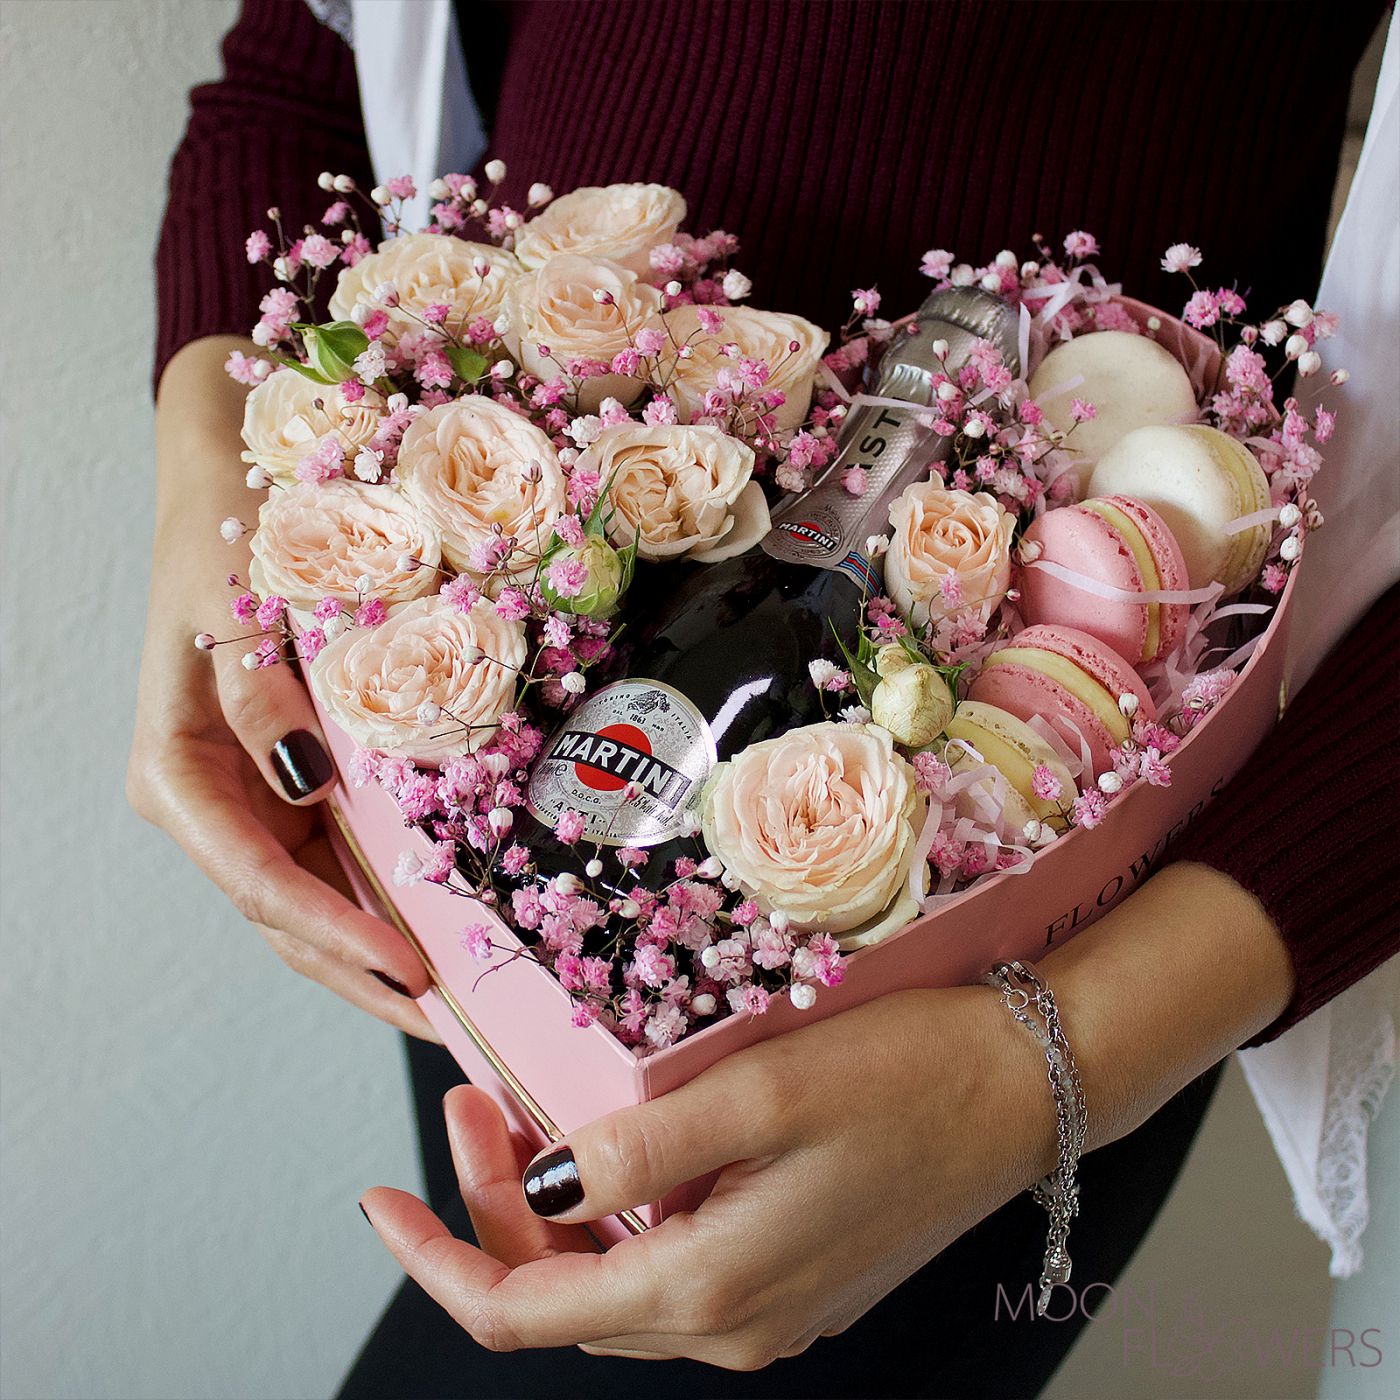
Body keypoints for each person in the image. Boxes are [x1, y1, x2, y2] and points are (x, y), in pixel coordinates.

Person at [133, 2, 1396, 1393]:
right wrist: (212, 521)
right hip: (501, 782)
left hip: (979, 994)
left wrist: (1040, 1065)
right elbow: (298, 80)